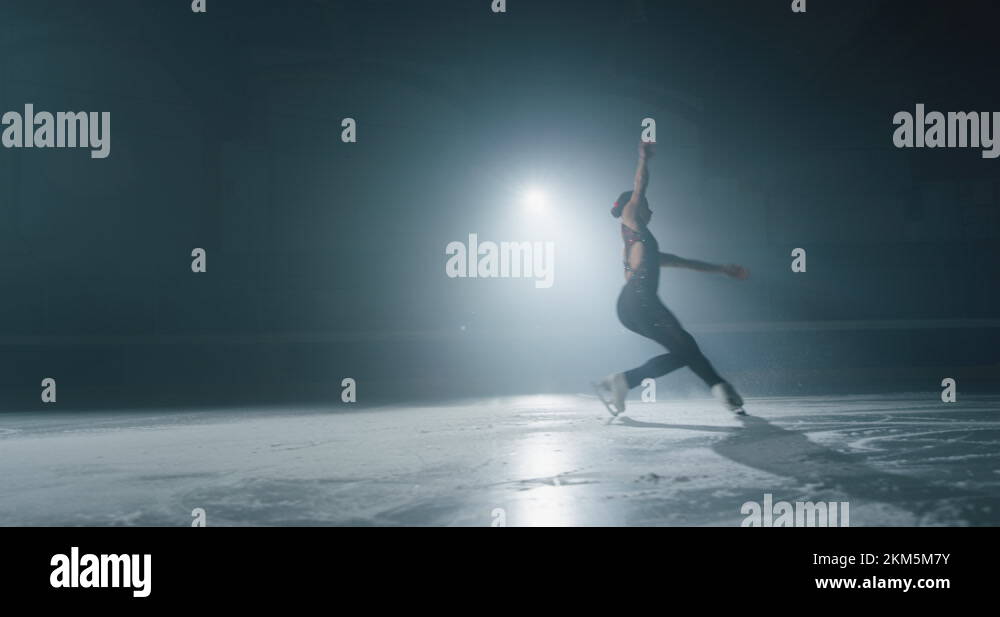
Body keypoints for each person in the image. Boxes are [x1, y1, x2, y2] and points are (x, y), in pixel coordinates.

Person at [596, 141, 749, 416]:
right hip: (639, 300)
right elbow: (640, 185)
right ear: (636, 206)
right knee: (687, 348)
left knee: (684, 351)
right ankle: (721, 389)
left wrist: (722, 269)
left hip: (629, 307)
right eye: (647, 206)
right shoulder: (631, 219)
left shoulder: (642, 246)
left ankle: (624, 381)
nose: (651, 211)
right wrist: (643, 159)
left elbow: (684, 262)